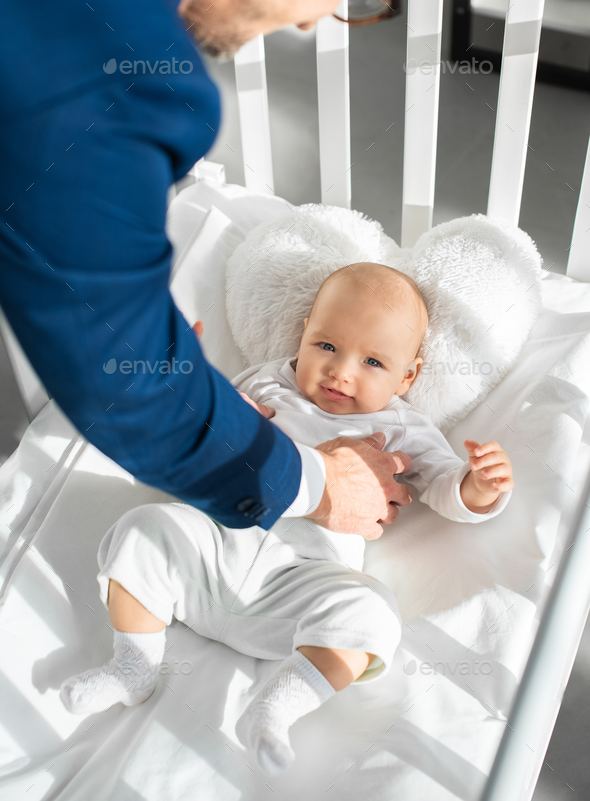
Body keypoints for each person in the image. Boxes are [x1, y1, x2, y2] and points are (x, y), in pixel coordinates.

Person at [0, 0, 461, 537]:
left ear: (408, 376)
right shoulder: (116, 76)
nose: (313, 20)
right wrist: (316, 484)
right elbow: (124, 364)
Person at [59, 263, 514, 775]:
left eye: (372, 361)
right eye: (327, 346)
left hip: (301, 583)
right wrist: (194, 393)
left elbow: (445, 487)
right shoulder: (268, 382)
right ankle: (133, 665)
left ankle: (278, 707)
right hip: (211, 548)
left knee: (373, 613)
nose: (341, 372)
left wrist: (479, 485)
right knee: (144, 528)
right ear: (304, 334)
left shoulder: (402, 426)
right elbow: (208, 424)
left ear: (407, 376)